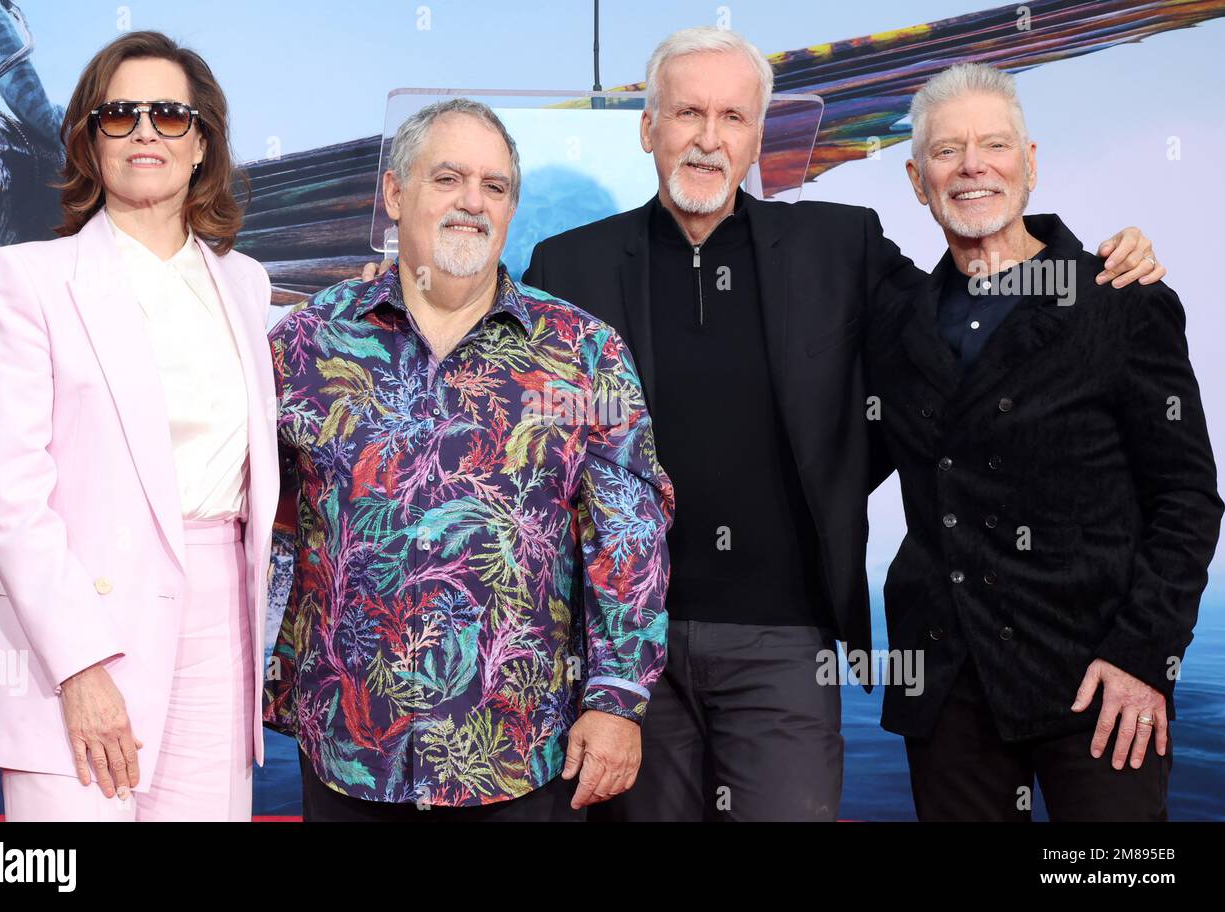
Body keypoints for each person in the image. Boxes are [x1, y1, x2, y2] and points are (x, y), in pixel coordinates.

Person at [523, 26, 1166, 821]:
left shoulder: (839, 244)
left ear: (759, 135)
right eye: (688, 113)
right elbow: (498, 414)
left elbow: (977, 295)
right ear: (648, 127)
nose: (709, 137)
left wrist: (1095, 268)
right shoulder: (564, 265)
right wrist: (405, 283)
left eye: (733, 116)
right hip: (624, 651)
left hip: (788, 643)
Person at [262, 98, 674, 820]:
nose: (471, 203)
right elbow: (227, 498)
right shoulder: (307, 342)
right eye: (447, 179)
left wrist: (618, 701)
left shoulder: (582, 353)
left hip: (516, 754)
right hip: (347, 752)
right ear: (395, 194)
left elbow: (629, 540)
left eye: (494, 186)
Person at [863, 62, 1222, 821]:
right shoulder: (895, 323)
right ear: (916, 178)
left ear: (1030, 163)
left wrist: (1142, 655)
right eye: (947, 150)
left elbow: (1188, 498)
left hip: (1099, 674)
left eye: (994, 145)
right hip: (947, 678)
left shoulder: (1120, 301)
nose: (972, 166)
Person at [0, 30, 277, 821]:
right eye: (120, 114)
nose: (145, 131)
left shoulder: (246, 284)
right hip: (74, 626)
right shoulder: (25, 278)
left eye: (170, 114)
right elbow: (14, 497)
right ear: (88, 140)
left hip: (221, 625)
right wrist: (79, 666)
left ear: (202, 142)